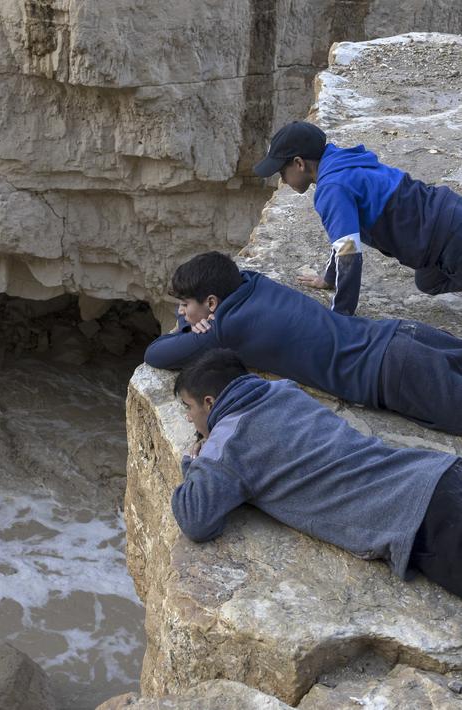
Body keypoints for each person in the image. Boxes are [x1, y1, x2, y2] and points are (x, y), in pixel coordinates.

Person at [172, 348, 462, 598]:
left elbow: (195, 520)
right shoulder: (282, 390)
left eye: (188, 407)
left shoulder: (227, 445)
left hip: (422, 520)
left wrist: (194, 462)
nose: (187, 418)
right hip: (438, 470)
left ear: (209, 402)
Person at [144, 251, 462, 434]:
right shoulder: (252, 281)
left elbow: (155, 354)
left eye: (185, 304)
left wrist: (188, 325)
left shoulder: (224, 329)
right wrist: (192, 314)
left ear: (212, 303)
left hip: (391, 371)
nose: (181, 312)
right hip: (401, 333)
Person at [254, 120, 462, 315]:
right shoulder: (340, 162)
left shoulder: (332, 188)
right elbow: (342, 241)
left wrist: (341, 317)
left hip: (450, 236)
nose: (282, 179)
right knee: (428, 282)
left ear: (299, 163)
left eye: (282, 171)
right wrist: (330, 279)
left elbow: (349, 255)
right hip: (447, 221)